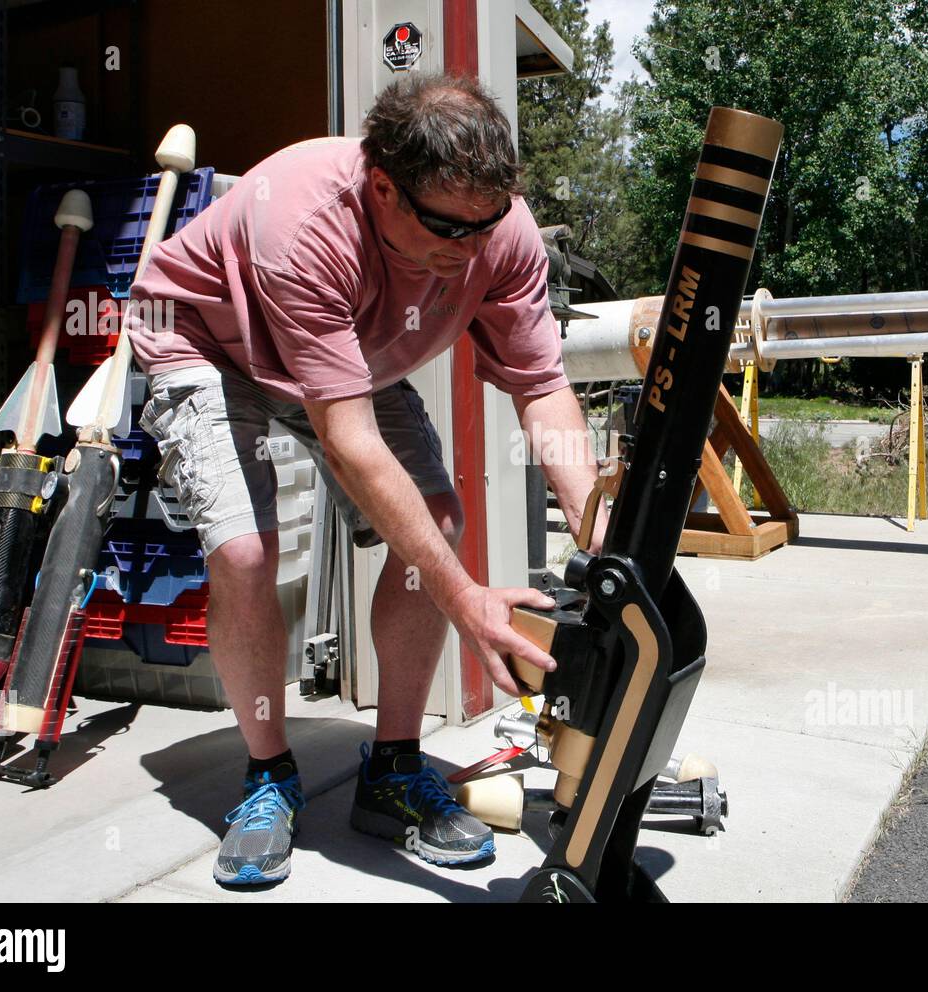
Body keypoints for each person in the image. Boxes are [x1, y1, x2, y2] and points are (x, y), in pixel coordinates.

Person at [126, 72, 606, 885]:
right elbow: (344, 439)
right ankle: (268, 777)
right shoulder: (306, 225)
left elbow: (542, 387)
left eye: (488, 225)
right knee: (244, 553)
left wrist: (603, 543)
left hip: (346, 358)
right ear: (382, 186)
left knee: (437, 524)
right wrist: (467, 600)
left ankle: (391, 770)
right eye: (450, 230)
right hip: (207, 343)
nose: (473, 252)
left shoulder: (497, 229)